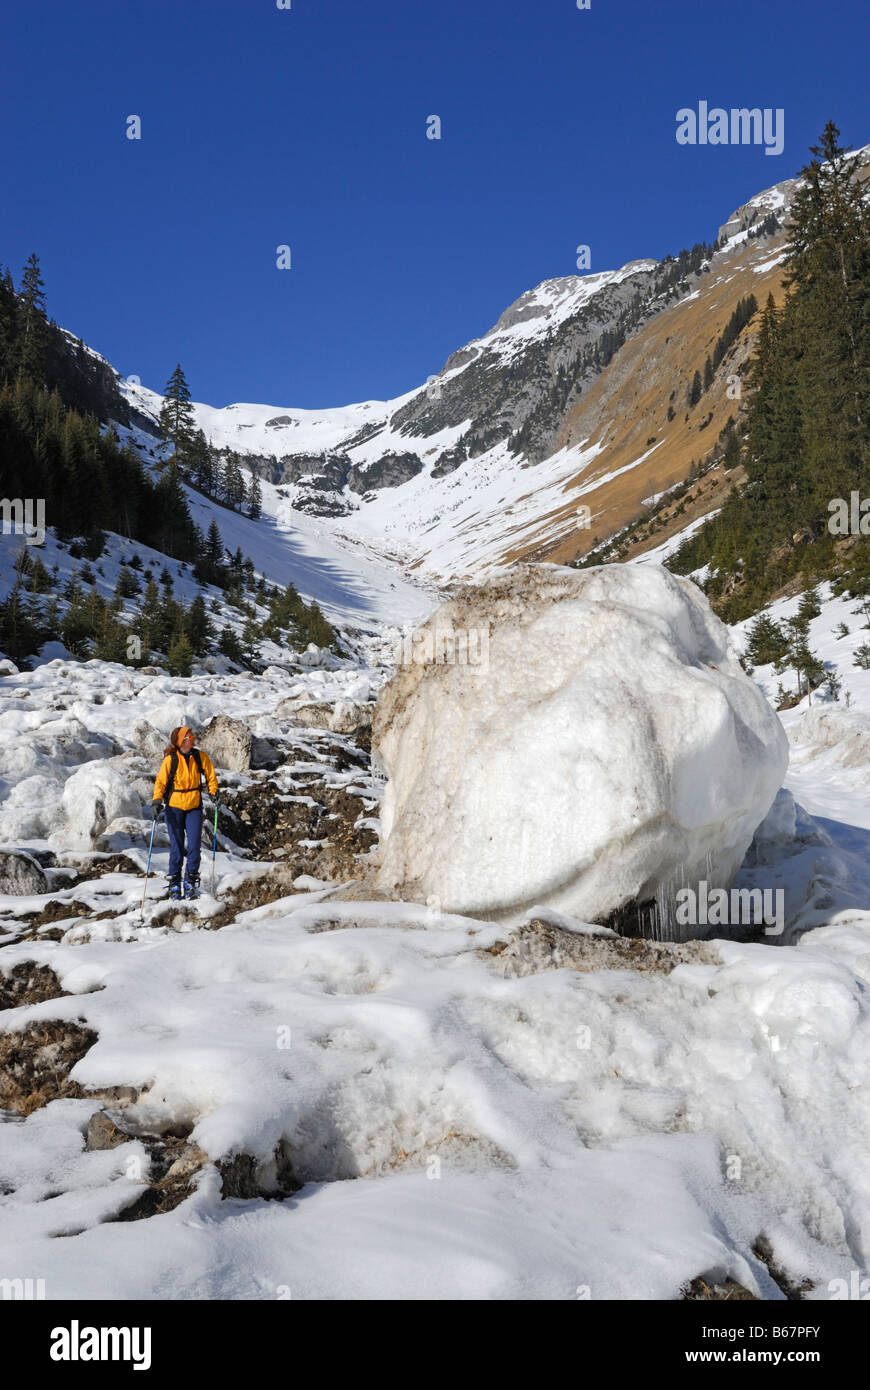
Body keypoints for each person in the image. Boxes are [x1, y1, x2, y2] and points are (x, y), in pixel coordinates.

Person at [151, 725, 219, 900]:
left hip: (194, 806)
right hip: (174, 808)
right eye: (189, 737)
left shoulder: (199, 757)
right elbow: (161, 782)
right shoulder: (171, 759)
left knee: (195, 844)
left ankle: (190, 879)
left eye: (192, 736)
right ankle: (175, 881)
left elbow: (211, 776)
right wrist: (157, 800)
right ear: (181, 741)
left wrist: (214, 793)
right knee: (177, 847)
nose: (192, 739)